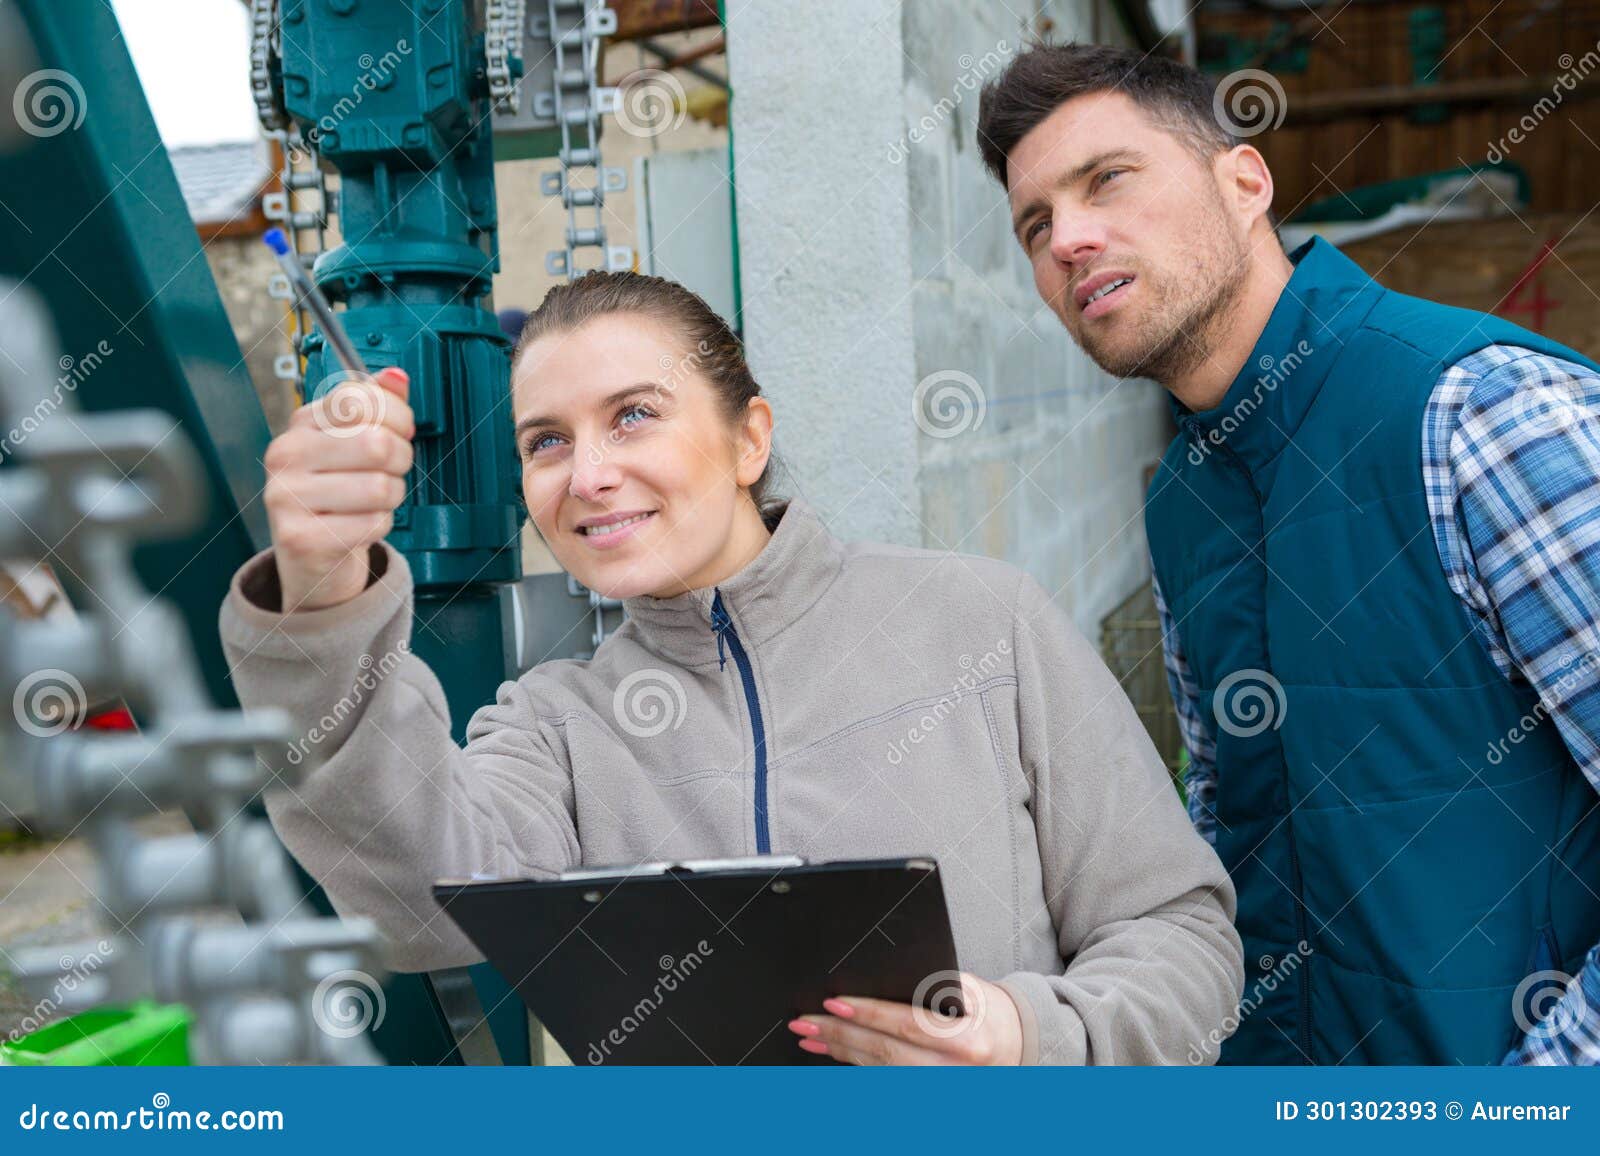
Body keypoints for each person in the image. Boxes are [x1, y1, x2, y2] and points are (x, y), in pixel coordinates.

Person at [219, 272, 1242, 1066]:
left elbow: (1180, 939)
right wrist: (323, 590)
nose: (589, 475)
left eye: (633, 414)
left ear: (749, 438)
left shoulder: (985, 623)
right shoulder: (555, 727)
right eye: (546, 442)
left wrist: (1026, 1036)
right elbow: (417, 898)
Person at [979, 41, 1600, 1066]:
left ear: (1244, 183)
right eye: (1035, 225)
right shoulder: (1184, 502)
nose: (1069, 240)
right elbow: (1228, 823)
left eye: (1107, 180)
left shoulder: (1478, 413)